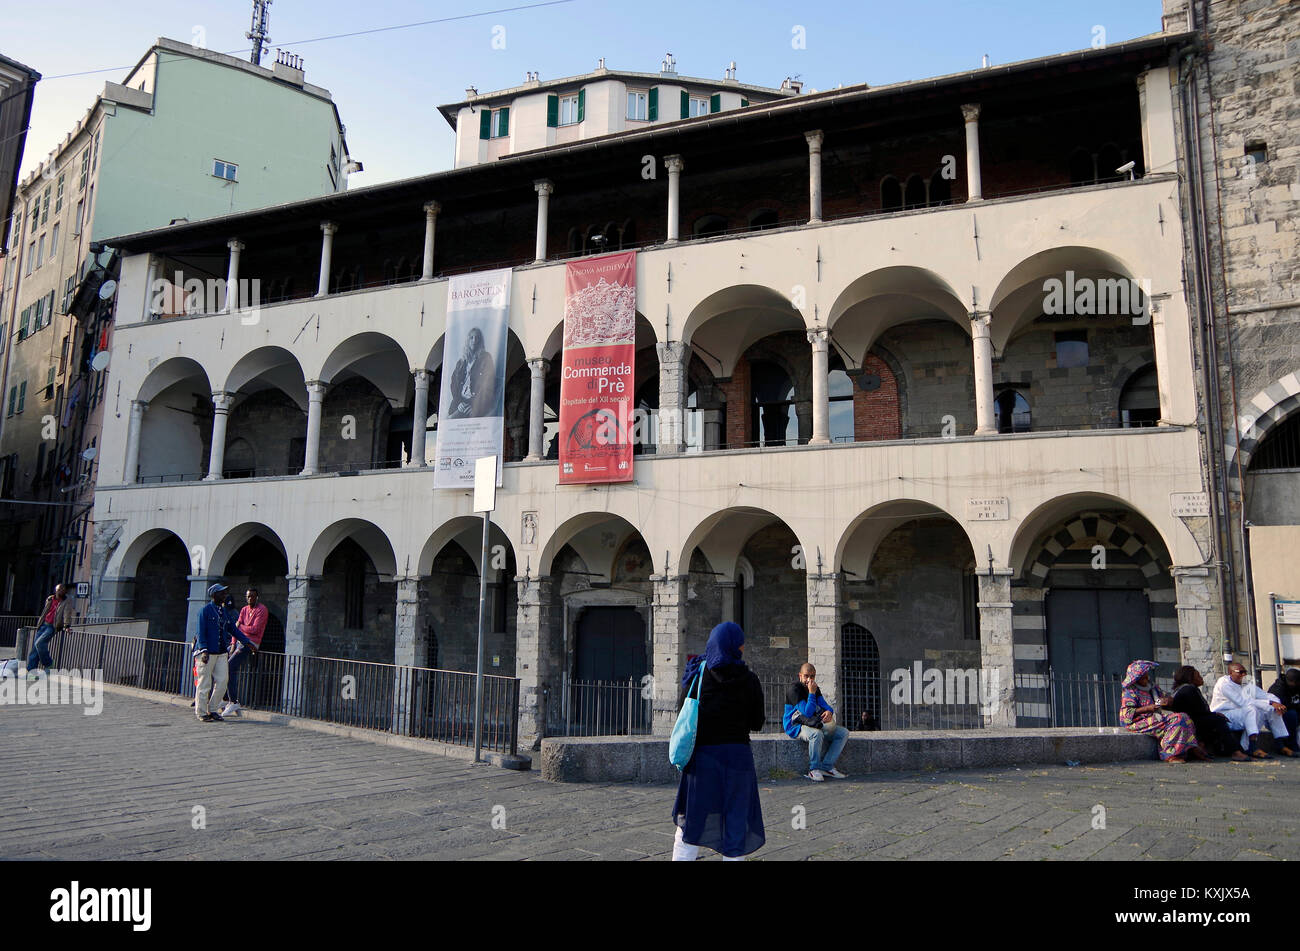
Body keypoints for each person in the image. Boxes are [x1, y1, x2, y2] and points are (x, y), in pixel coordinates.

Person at [671, 622, 765, 861]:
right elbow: (757, 721)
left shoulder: (698, 675)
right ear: (737, 647)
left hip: (703, 760)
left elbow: (683, 710)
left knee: (691, 820)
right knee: (735, 822)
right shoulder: (750, 679)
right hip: (737, 759)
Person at [193, 583, 257, 723]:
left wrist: (247, 642)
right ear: (214, 595)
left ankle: (213, 709)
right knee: (204, 683)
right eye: (222, 593)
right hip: (207, 652)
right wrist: (203, 650)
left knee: (222, 681)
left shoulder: (223, 612)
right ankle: (202, 712)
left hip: (221, 652)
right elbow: (200, 632)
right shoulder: (205, 611)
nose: (224, 595)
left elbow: (233, 630)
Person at [1118, 660, 1201, 763]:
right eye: (1143, 677)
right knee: (1177, 719)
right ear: (1136, 678)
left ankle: (1188, 750)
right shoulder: (1130, 692)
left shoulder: (1152, 687)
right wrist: (1148, 708)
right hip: (1138, 722)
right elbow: (1126, 714)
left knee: (1185, 717)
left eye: (1146, 675)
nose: (1146, 678)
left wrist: (1166, 701)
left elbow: (1158, 701)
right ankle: (1170, 754)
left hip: (1156, 717)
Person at [1210, 662, 1296, 759]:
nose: (1244, 675)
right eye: (1240, 672)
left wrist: (1277, 704)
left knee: (1269, 708)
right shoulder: (1224, 684)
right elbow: (1244, 702)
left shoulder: (1244, 682)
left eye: (1245, 672)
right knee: (1252, 709)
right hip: (1224, 713)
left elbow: (1263, 695)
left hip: (1241, 711)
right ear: (1230, 673)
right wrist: (1270, 703)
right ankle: (1252, 746)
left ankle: (1280, 744)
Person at [783, 662, 850, 780]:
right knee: (816, 734)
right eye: (806, 676)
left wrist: (829, 712)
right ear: (800, 676)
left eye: (812, 676)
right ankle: (813, 769)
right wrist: (811, 693)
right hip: (795, 725)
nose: (809, 679)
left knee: (843, 733)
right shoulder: (794, 690)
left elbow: (826, 706)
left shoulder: (815, 688)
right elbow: (807, 712)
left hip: (812, 722)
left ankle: (827, 767)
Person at [1166, 665, 1243, 760]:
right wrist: (1214, 715)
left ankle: (1205, 748)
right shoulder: (1189, 689)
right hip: (1188, 721)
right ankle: (1235, 751)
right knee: (1219, 720)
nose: (1201, 678)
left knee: (1215, 720)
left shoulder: (1181, 689)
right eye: (1198, 676)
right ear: (1190, 678)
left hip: (1190, 719)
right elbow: (1199, 711)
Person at [221, 587, 268, 718]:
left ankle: (233, 701)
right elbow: (235, 631)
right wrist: (232, 644)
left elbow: (255, 629)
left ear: (257, 597)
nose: (250, 598)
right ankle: (225, 698)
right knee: (224, 666)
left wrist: (239, 627)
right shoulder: (244, 610)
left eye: (252, 596)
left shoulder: (262, 610)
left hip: (251, 643)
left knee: (229, 667)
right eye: (248, 596)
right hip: (239, 642)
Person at [447, 327, 497, 419]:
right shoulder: (461, 362)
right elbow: (453, 384)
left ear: (480, 341)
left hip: (477, 403)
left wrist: (476, 405)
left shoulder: (486, 358)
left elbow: (488, 385)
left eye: (477, 338)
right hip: (459, 403)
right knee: (448, 421)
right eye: (471, 337)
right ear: (467, 340)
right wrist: (458, 402)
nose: (474, 340)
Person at [27, 583, 73, 677]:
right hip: (43, 624)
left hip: (52, 626)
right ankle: (31, 674)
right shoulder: (50, 599)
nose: (61, 591)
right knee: (34, 650)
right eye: (59, 589)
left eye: (63, 589)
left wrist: (66, 625)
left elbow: (67, 613)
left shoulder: (67, 601)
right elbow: (46, 611)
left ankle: (49, 664)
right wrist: (39, 623)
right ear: (56, 590)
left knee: (39, 643)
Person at [1266, 668, 1300, 752]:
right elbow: (1282, 708)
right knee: (1292, 714)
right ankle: (1290, 745)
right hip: (1278, 718)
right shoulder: (1277, 690)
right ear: (1293, 682)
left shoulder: (1296, 685)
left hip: (1295, 713)